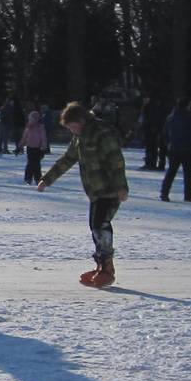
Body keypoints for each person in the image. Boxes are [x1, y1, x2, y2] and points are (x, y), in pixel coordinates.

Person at [37, 102, 129, 288]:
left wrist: (121, 186)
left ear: (80, 120)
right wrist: (47, 179)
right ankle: (101, 266)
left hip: (109, 188)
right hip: (95, 191)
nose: (72, 130)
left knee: (100, 225)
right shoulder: (79, 138)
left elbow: (116, 160)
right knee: (95, 227)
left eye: (72, 126)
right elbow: (68, 159)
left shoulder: (101, 132)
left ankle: (107, 269)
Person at [160, 98, 191, 202]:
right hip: (187, 149)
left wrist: (168, 144)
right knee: (188, 173)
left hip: (173, 148)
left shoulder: (170, 117)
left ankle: (164, 193)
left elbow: (165, 133)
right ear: (187, 106)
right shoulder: (190, 117)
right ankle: (188, 195)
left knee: (171, 172)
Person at [20, 110, 48, 185]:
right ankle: (28, 178)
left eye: (35, 119)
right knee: (30, 163)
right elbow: (25, 137)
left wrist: (43, 147)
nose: (33, 120)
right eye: (31, 119)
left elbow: (43, 138)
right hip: (30, 147)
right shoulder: (28, 127)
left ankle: (38, 178)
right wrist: (21, 145)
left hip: (38, 148)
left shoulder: (40, 127)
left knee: (36, 164)